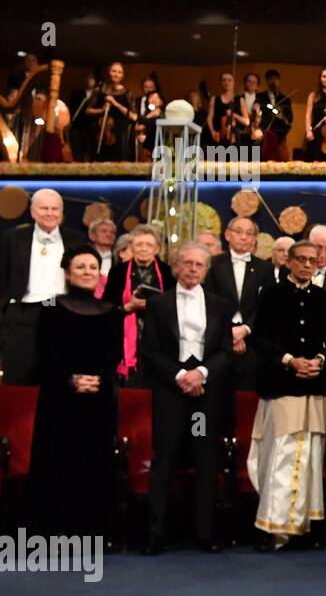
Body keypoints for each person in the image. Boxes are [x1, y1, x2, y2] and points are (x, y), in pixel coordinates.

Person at [140, 244, 234, 554]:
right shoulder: (157, 304)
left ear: (207, 270)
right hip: (171, 392)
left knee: (205, 459)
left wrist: (201, 374)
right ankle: (155, 533)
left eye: (199, 265)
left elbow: (225, 351)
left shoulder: (221, 305)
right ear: (176, 267)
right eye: (188, 263)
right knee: (165, 459)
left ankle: (205, 533)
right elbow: (150, 352)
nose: (193, 269)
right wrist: (182, 376)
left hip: (204, 395)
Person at [249, 240, 326, 545]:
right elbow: (259, 339)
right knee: (282, 454)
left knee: (311, 455)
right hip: (281, 385)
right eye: (300, 259)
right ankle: (274, 528)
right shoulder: (271, 295)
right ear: (288, 261)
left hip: (316, 387)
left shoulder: (324, 298)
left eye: (312, 261)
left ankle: (305, 527)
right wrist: (290, 361)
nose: (306, 265)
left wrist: (319, 361)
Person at [27, 247, 121, 537]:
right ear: (67, 272)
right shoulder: (50, 307)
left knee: (94, 462)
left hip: (98, 398)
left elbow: (114, 354)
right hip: (59, 397)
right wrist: (70, 380)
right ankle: (51, 532)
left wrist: (99, 380)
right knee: (56, 460)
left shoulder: (111, 311)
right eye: (80, 267)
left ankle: (91, 531)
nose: (87, 272)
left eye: (93, 267)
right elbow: (45, 353)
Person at [0, 188, 86, 385]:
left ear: (61, 212)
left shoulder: (77, 239)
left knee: (61, 376)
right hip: (23, 313)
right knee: (18, 377)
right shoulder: (13, 238)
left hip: (61, 310)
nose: (50, 213)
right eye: (44, 208)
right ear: (32, 212)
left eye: (55, 209)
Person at [102, 224, 175, 386]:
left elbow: (176, 308)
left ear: (157, 249)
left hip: (158, 336)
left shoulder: (168, 272)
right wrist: (128, 307)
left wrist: (153, 305)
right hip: (123, 337)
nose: (143, 249)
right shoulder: (117, 272)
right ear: (132, 247)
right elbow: (106, 308)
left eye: (149, 245)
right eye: (139, 244)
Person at [206, 216, 271, 392]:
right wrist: (230, 332)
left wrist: (245, 329)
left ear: (254, 239)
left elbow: (267, 305)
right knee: (217, 392)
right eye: (239, 232)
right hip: (218, 339)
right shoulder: (212, 264)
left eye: (249, 233)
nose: (244, 237)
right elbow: (208, 301)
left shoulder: (266, 268)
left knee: (247, 395)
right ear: (227, 235)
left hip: (253, 339)